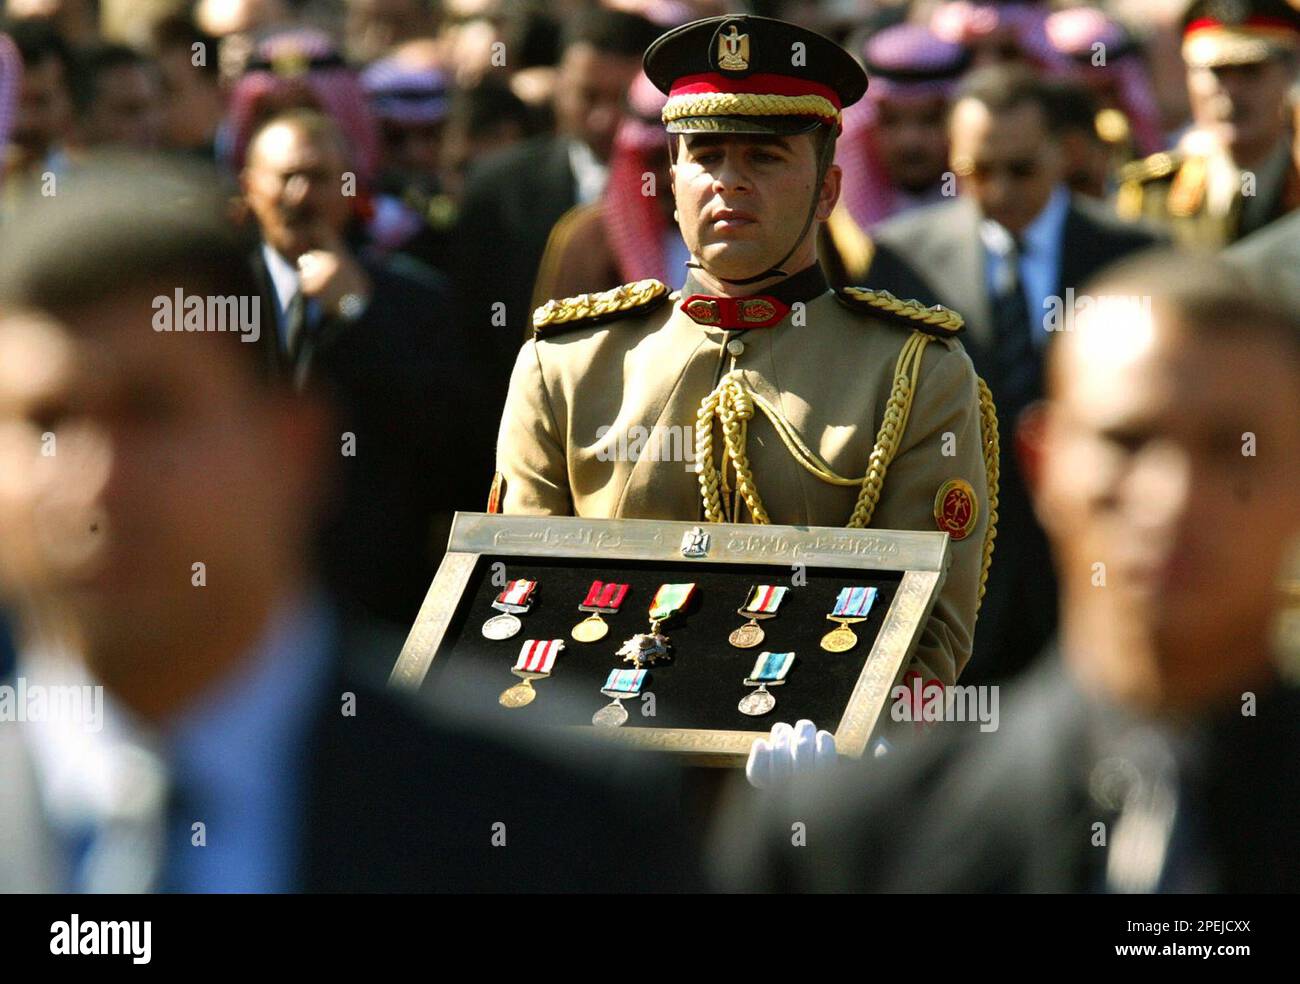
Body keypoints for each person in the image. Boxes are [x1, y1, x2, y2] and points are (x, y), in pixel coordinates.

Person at [0, 159, 697, 893]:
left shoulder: (552, 820)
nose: (98, 479)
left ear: (291, 445)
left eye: (154, 412)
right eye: (46, 421)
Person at [717, 252, 1300, 892]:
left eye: (1231, 448)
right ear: (1044, 465)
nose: (1172, 498)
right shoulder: (849, 837)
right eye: (1126, 441)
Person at [493, 14, 998, 689]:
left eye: (764, 157)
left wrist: (839, 760)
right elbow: (518, 603)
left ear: (827, 189)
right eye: (704, 155)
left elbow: (930, 631)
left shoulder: (914, 372)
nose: (728, 180)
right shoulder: (566, 365)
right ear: (671, 180)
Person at [866, 65, 1161, 683]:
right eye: (977, 172)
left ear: (1066, 153)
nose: (998, 190)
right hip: (961, 581)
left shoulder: (1136, 256)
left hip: (1093, 566)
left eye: (1020, 168)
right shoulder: (901, 257)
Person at [241, 108, 484, 628]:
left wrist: (360, 316)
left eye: (322, 178)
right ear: (250, 186)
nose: (303, 195)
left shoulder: (415, 299)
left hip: (373, 594)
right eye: (288, 177)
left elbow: (453, 448)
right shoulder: (214, 297)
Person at [455, 6, 662, 407]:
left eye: (621, 99)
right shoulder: (497, 192)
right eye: (587, 95)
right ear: (560, 88)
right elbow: (472, 339)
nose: (604, 119)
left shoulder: (686, 190)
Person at [1117, 0, 1300, 248]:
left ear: (1289, 74)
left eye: (1250, 70)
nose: (1231, 91)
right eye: (1216, 71)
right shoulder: (1152, 198)